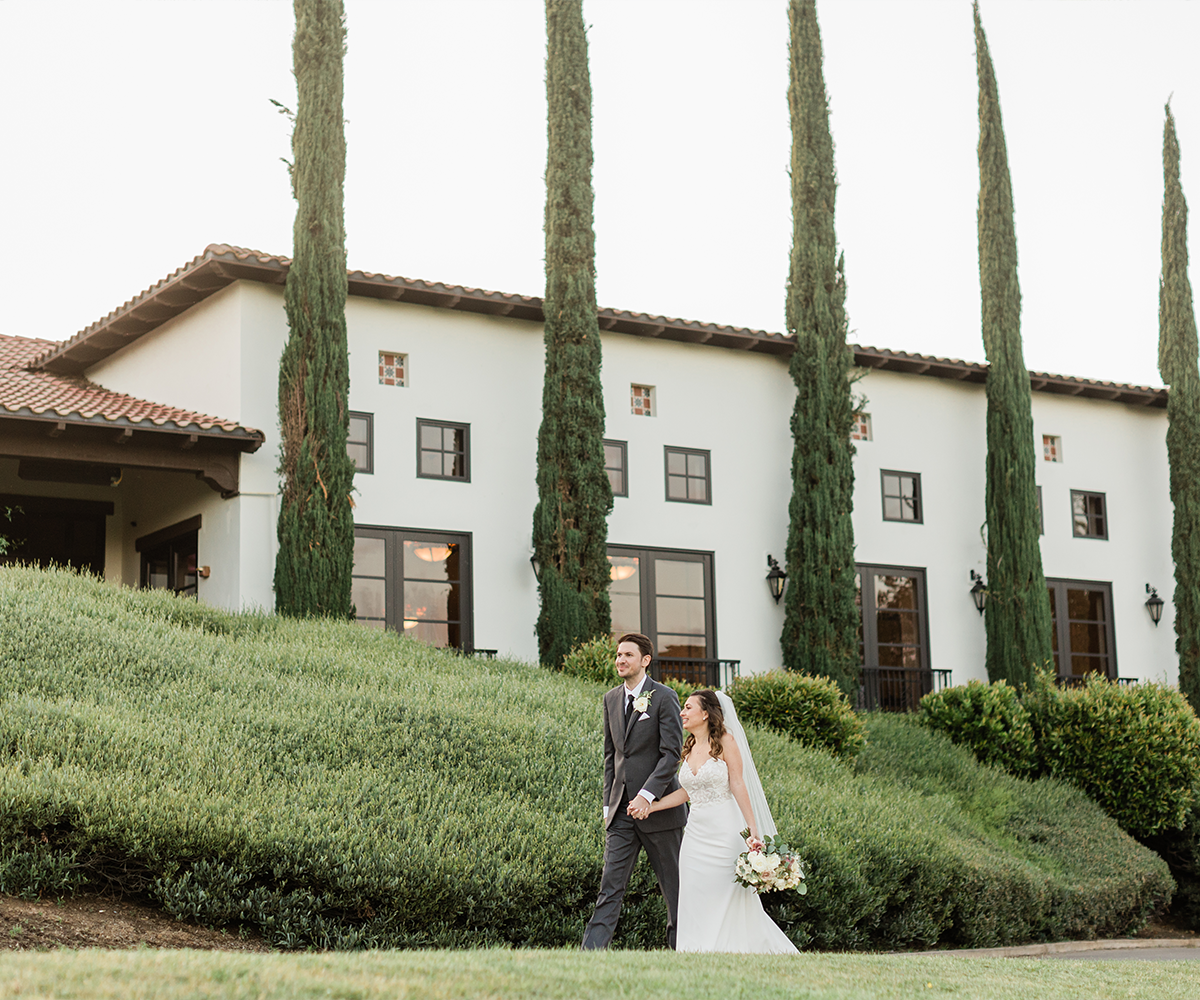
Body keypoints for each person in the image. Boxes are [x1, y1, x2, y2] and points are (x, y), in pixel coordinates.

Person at [635, 688, 798, 954]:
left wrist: (752, 831)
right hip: (696, 831)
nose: (682, 713)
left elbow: (737, 783)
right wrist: (652, 807)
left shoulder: (725, 741)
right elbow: (688, 791)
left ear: (706, 713)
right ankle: (695, 949)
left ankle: (730, 947)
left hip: (725, 829)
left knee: (726, 890)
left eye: (688, 707)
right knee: (695, 890)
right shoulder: (688, 747)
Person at [581, 633, 688, 950]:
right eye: (618, 655)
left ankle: (681, 949)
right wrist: (607, 806)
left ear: (645, 661)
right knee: (609, 886)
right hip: (621, 814)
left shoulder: (664, 697)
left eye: (628, 655)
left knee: (674, 888)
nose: (620, 660)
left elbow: (672, 754)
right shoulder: (610, 699)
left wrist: (647, 795)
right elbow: (611, 756)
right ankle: (590, 953)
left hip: (662, 814)